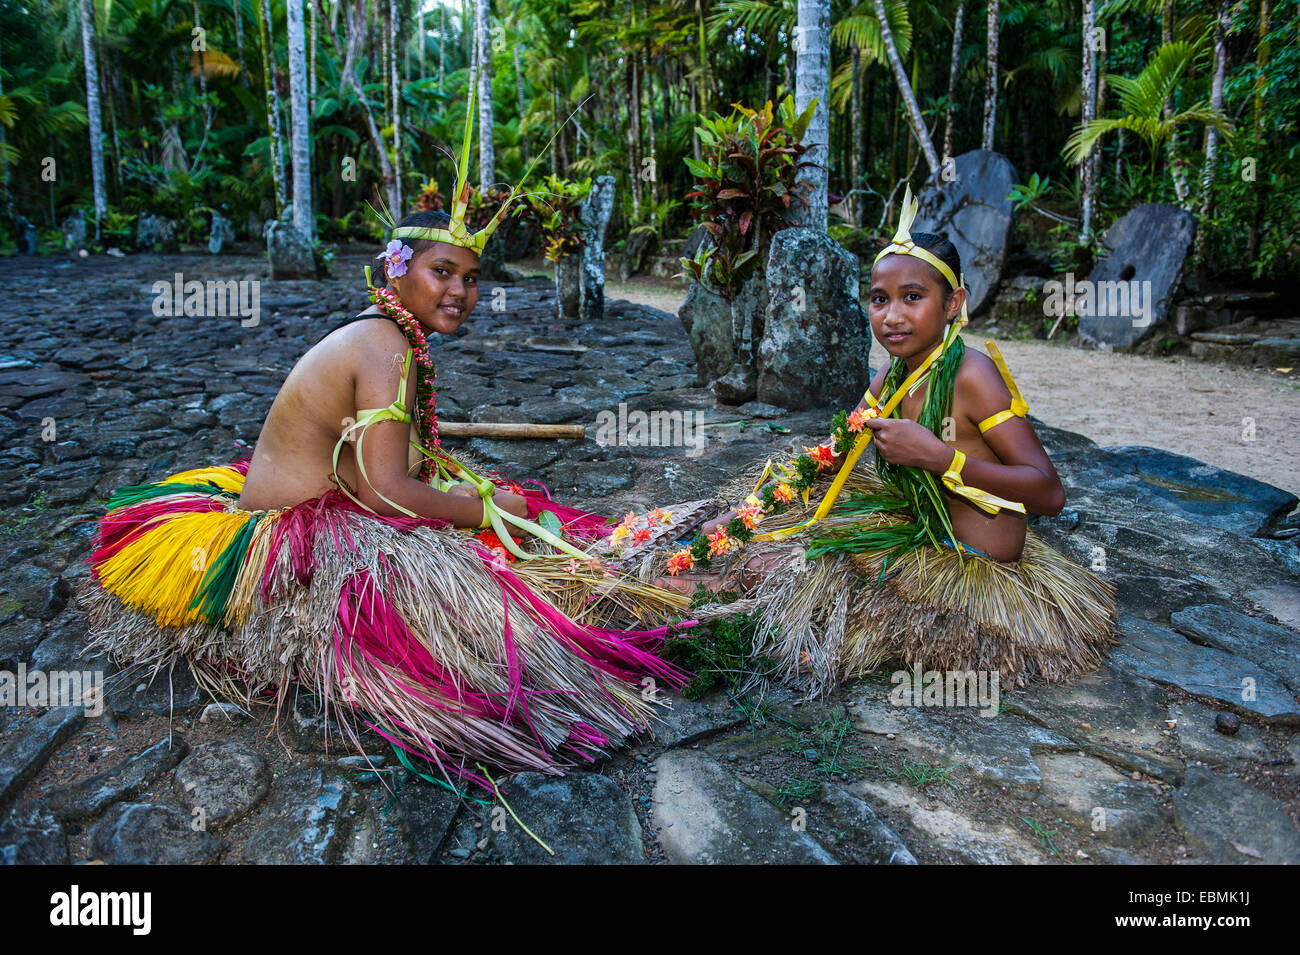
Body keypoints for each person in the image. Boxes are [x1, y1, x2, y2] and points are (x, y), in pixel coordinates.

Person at [78, 74, 692, 794]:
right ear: (395, 272)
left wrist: (474, 501)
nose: (459, 292)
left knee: (490, 514)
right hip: (289, 527)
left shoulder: (389, 337)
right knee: (489, 566)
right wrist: (492, 509)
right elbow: (388, 493)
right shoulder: (385, 347)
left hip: (322, 500)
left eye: (469, 276)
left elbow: (385, 474)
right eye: (441, 272)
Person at [635, 185, 1115, 694]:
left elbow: (1048, 493)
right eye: (879, 299)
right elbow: (834, 453)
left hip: (966, 558)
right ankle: (720, 582)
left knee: (786, 570)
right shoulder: (894, 373)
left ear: (953, 303)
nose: (892, 316)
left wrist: (939, 457)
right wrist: (755, 508)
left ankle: (729, 597)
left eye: (913, 297)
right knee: (766, 534)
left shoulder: (972, 374)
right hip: (915, 523)